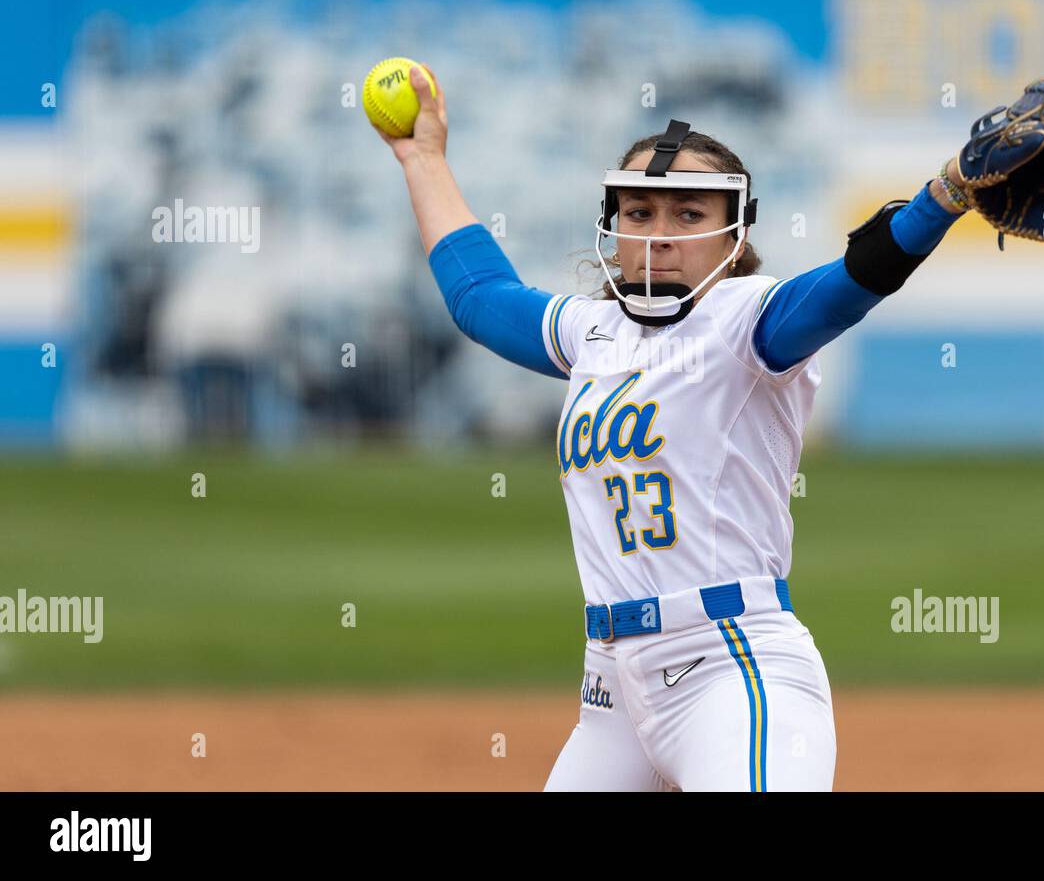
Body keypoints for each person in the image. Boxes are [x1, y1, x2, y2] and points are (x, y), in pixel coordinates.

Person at [375, 65, 971, 791]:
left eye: (688, 214)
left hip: (734, 675)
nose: (659, 235)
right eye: (640, 213)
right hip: (610, 694)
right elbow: (479, 297)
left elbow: (855, 279)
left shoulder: (747, 321)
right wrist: (424, 158)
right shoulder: (593, 332)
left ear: (733, 232)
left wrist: (945, 195)